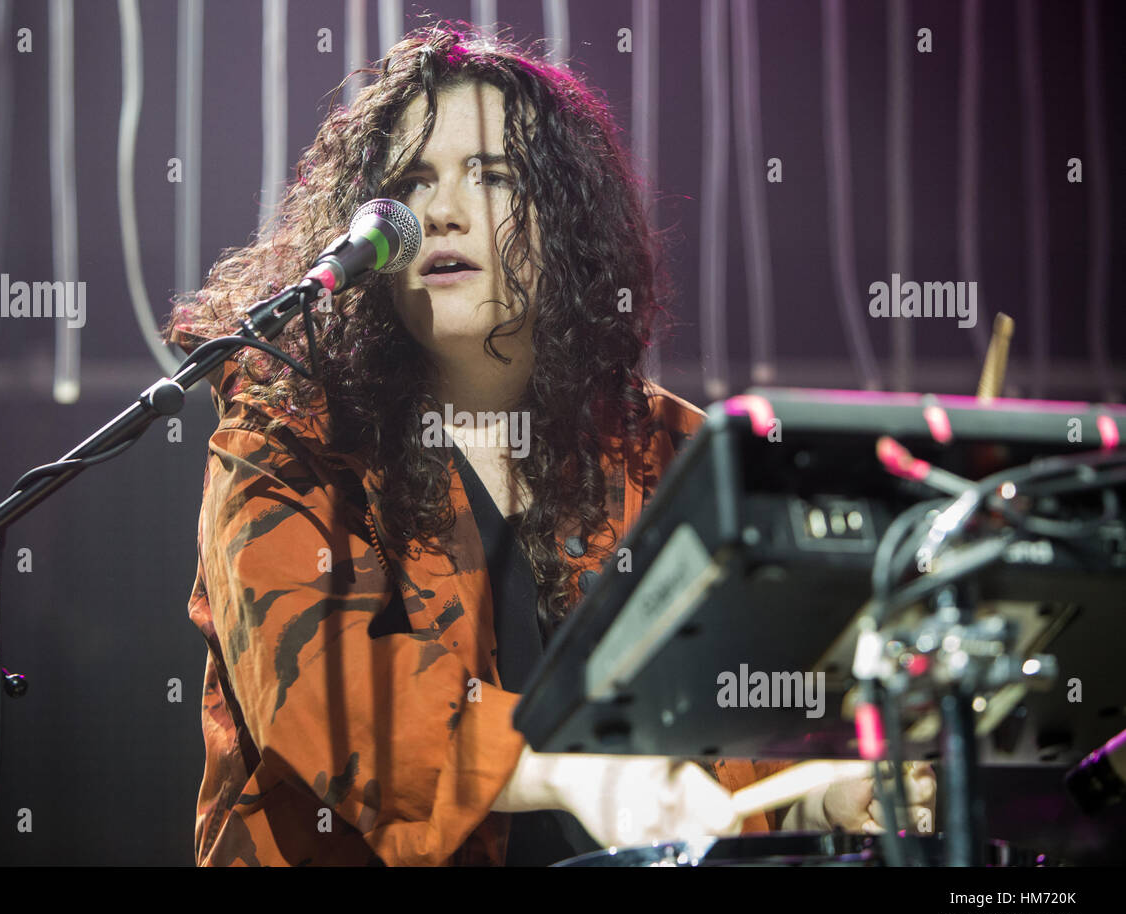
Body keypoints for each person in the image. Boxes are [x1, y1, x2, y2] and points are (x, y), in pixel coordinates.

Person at [163, 23, 934, 866]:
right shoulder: (287, 438)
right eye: (412, 183)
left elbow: (730, 741)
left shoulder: (674, 457)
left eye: (490, 176)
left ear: (568, 221)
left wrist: (819, 796)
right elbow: (325, 693)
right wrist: (567, 771)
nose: (442, 211)